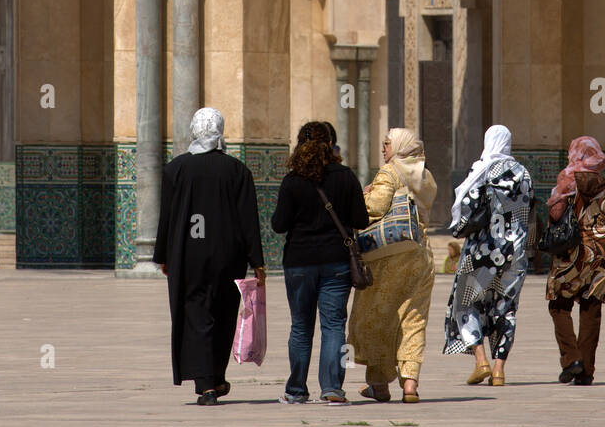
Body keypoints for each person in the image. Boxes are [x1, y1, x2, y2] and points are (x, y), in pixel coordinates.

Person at [153, 107, 265, 406]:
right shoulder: (236, 170)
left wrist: (163, 254)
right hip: (228, 257)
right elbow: (247, 219)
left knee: (196, 315)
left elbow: (167, 218)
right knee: (223, 314)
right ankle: (215, 375)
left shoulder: (175, 169)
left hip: (187, 256)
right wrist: (258, 260)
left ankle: (206, 385)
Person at [271, 120, 368, 405]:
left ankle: (297, 391)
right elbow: (360, 219)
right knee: (334, 325)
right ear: (330, 144)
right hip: (337, 261)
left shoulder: (292, 181)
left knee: (301, 326)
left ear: (300, 144)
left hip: (299, 262)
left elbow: (279, 225)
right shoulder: (345, 176)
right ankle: (332, 389)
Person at [347, 127, 437, 404]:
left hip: (388, 258)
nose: (383, 148)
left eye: (387, 143)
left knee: (379, 317)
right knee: (413, 319)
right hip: (421, 256)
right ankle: (410, 384)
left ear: (398, 146)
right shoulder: (424, 174)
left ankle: (379, 384)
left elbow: (374, 209)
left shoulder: (389, 172)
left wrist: (363, 194)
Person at [443, 124, 534, 386]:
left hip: (483, 249)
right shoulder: (524, 173)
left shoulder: (482, 169)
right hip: (515, 252)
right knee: (506, 308)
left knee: (465, 301)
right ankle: (498, 370)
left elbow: (468, 207)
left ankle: (480, 359)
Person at [545, 136, 605, 385]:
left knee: (559, 305)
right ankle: (586, 371)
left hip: (571, 254)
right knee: (591, 310)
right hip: (600, 254)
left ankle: (572, 359)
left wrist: (560, 194)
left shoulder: (567, 179)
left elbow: (555, 214)